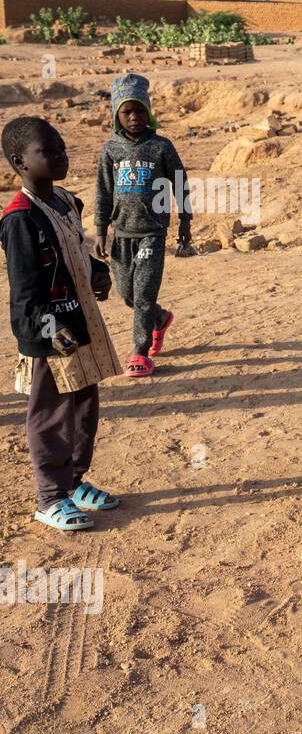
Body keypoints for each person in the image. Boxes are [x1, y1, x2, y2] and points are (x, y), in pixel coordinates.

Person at [3, 117, 123, 531]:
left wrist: (96, 270)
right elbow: (23, 291)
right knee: (52, 415)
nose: (59, 157)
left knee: (84, 406)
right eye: (47, 152)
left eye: (62, 149)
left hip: (80, 321)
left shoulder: (66, 201)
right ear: (20, 161)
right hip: (51, 333)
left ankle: (74, 483)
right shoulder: (20, 220)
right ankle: (50, 497)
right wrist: (48, 327)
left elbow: (73, 249)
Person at [93, 73, 191, 379]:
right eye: (127, 111)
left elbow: (180, 184)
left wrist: (185, 221)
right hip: (121, 234)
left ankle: (139, 350)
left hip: (152, 233)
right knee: (127, 295)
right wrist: (100, 230)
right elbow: (103, 191)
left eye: (140, 111)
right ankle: (159, 319)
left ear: (149, 111)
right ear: (116, 115)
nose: (135, 117)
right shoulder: (110, 150)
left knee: (144, 294)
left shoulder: (161, 147)